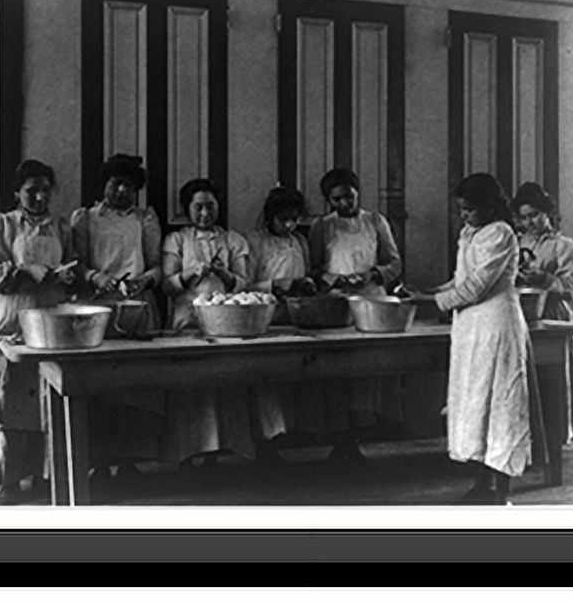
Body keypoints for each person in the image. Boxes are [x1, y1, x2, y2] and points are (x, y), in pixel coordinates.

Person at [408, 173, 530, 505]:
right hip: (470, 327)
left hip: (496, 326)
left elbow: (478, 287)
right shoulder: (470, 233)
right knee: (474, 402)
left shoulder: (501, 234)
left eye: (470, 209)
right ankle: (481, 483)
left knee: (500, 403)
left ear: (491, 206)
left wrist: (431, 302)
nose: (464, 216)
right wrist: (428, 291)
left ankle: (501, 489)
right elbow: (460, 280)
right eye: (461, 210)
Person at [0, 159, 76, 505]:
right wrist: (22, 269)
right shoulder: (2, 225)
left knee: (47, 401)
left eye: (46, 190)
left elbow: (74, 262)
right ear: (17, 192)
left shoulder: (59, 227)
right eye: (32, 191)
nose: (39, 197)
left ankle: (45, 476)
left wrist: (66, 276)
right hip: (11, 318)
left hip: (49, 317)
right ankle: (9, 481)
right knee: (9, 401)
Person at [70, 154, 165, 480]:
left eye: (129, 185)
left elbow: (157, 265)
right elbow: (76, 264)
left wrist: (144, 280)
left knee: (135, 385)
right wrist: (96, 277)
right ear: (105, 184)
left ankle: (130, 461)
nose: (122, 190)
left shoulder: (145, 220)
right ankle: (96, 462)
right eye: (116, 183)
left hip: (137, 306)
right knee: (99, 386)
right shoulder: (85, 218)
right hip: (97, 308)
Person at [307, 167, 404, 463]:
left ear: (357, 192)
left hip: (371, 302)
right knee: (339, 371)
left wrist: (373, 274)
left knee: (366, 374)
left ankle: (359, 436)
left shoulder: (375, 221)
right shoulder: (322, 226)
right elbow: (312, 270)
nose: (344, 204)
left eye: (348, 197)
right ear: (328, 200)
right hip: (336, 304)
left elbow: (394, 262)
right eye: (336, 200)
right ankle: (340, 437)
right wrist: (332, 280)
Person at [160, 178, 259, 467]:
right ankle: (186, 454)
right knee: (189, 389)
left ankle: (218, 454)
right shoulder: (177, 240)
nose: (205, 213)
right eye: (198, 207)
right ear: (187, 209)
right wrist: (190, 273)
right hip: (186, 322)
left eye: (211, 206)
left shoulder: (232, 240)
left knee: (224, 386)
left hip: (226, 323)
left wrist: (224, 274)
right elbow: (167, 286)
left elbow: (244, 285)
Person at [512, 181, 573, 443]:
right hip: (523, 312)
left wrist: (543, 279)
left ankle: (558, 432)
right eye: (524, 217)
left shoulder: (565, 247)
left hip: (552, 313)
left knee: (554, 371)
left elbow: (570, 288)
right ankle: (529, 433)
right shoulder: (517, 242)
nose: (529, 222)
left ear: (548, 213)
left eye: (534, 215)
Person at [245, 186, 317, 461]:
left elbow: (308, 273)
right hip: (266, 318)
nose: (289, 225)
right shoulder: (255, 241)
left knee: (294, 379)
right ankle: (267, 444)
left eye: (294, 219)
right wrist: (276, 285)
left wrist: (306, 283)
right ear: (270, 217)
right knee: (268, 382)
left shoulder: (299, 241)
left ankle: (291, 439)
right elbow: (246, 283)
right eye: (283, 219)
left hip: (296, 318)